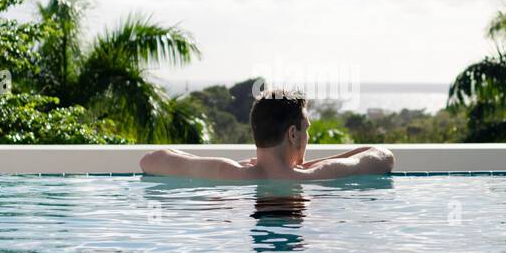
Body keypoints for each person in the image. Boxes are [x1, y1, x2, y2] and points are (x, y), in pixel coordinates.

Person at [139, 91, 395, 181]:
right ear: (292, 134)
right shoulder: (318, 175)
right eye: (306, 129)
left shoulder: (228, 172)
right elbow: (383, 156)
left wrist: (238, 165)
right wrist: (310, 166)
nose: (307, 138)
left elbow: (150, 160)